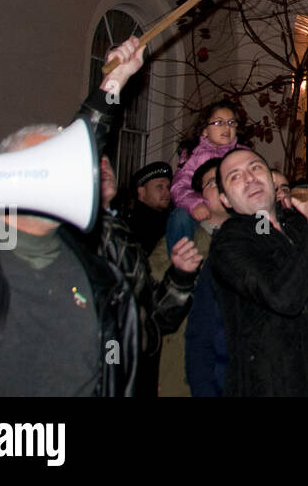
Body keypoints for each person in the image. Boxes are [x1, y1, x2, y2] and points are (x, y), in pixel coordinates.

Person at [0, 37, 147, 396]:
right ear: (7, 175)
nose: (71, 167)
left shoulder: (104, 281)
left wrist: (115, 83)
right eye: (48, 159)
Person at [208, 147, 308, 396]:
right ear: (225, 200)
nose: (250, 178)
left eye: (255, 167)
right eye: (235, 176)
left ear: (273, 181)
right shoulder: (229, 242)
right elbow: (283, 298)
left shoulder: (296, 225)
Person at [91, 155, 201, 397]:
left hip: (135, 357)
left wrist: (181, 277)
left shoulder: (124, 234)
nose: (105, 167)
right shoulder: (82, 234)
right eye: (158, 186)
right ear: (140, 192)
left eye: (108, 162)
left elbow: (152, 315)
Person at [152, 157, 225, 396]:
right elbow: (154, 293)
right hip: (184, 365)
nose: (221, 186)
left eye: (227, 179)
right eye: (213, 182)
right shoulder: (182, 235)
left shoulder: (252, 234)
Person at [167, 101, 241, 250]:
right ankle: (184, 263)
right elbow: (179, 186)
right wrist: (195, 204)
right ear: (204, 130)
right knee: (179, 217)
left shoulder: (242, 155)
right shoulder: (194, 155)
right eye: (219, 122)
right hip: (202, 213)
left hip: (233, 213)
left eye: (231, 123)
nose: (227, 127)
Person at [127, 161, 172, 255]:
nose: (167, 192)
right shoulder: (134, 228)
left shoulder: (169, 220)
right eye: (160, 186)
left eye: (168, 187)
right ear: (142, 192)